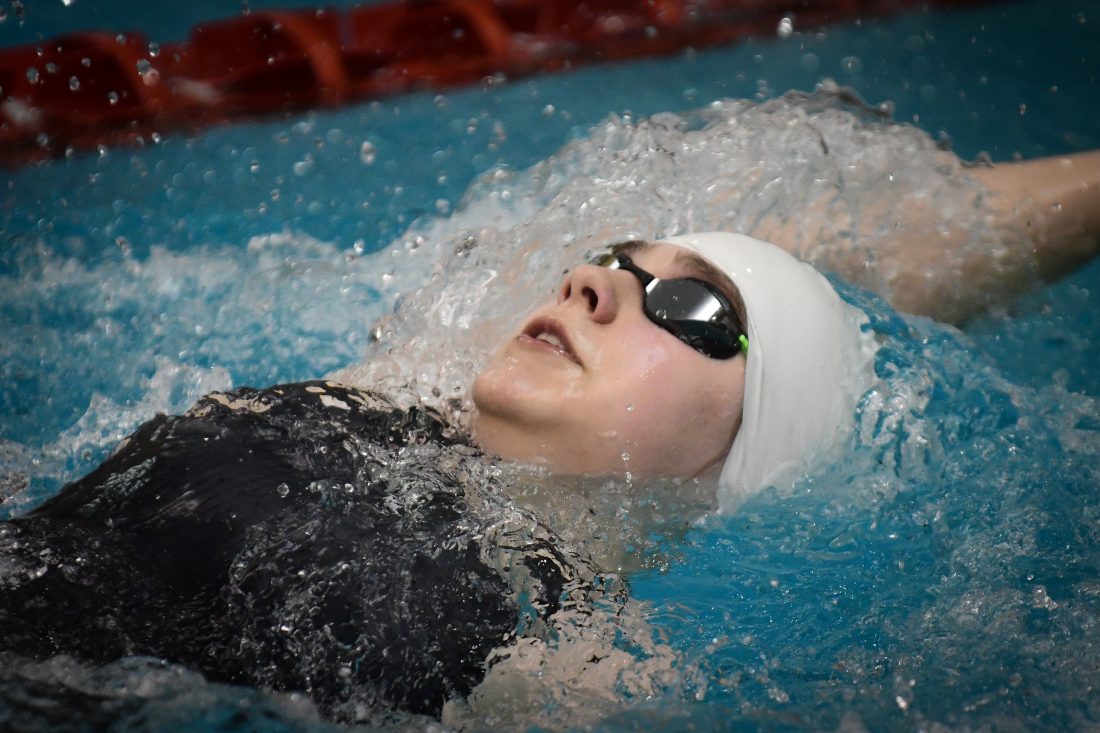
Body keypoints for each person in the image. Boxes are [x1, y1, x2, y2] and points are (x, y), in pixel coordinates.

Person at [1, 143, 1097, 729]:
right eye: (614, 258)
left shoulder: (574, 664)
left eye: (695, 312)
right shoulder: (383, 399)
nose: (593, 282)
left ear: (745, 455)